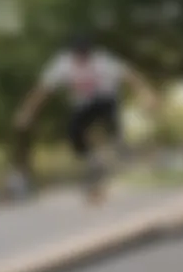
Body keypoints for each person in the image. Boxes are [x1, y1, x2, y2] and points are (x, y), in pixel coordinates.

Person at [14, 34, 159, 203]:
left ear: (90, 52)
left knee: (110, 117)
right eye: (79, 56)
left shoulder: (102, 59)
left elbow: (130, 75)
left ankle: (116, 144)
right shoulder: (62, 64)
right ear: (72, 54)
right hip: (83, 106)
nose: (82, 60)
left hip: (106, 100)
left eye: (85, 56)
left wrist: (146, 93)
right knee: (73, 132)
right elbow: (43, 91)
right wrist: (27, 111)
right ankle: (93, 162)